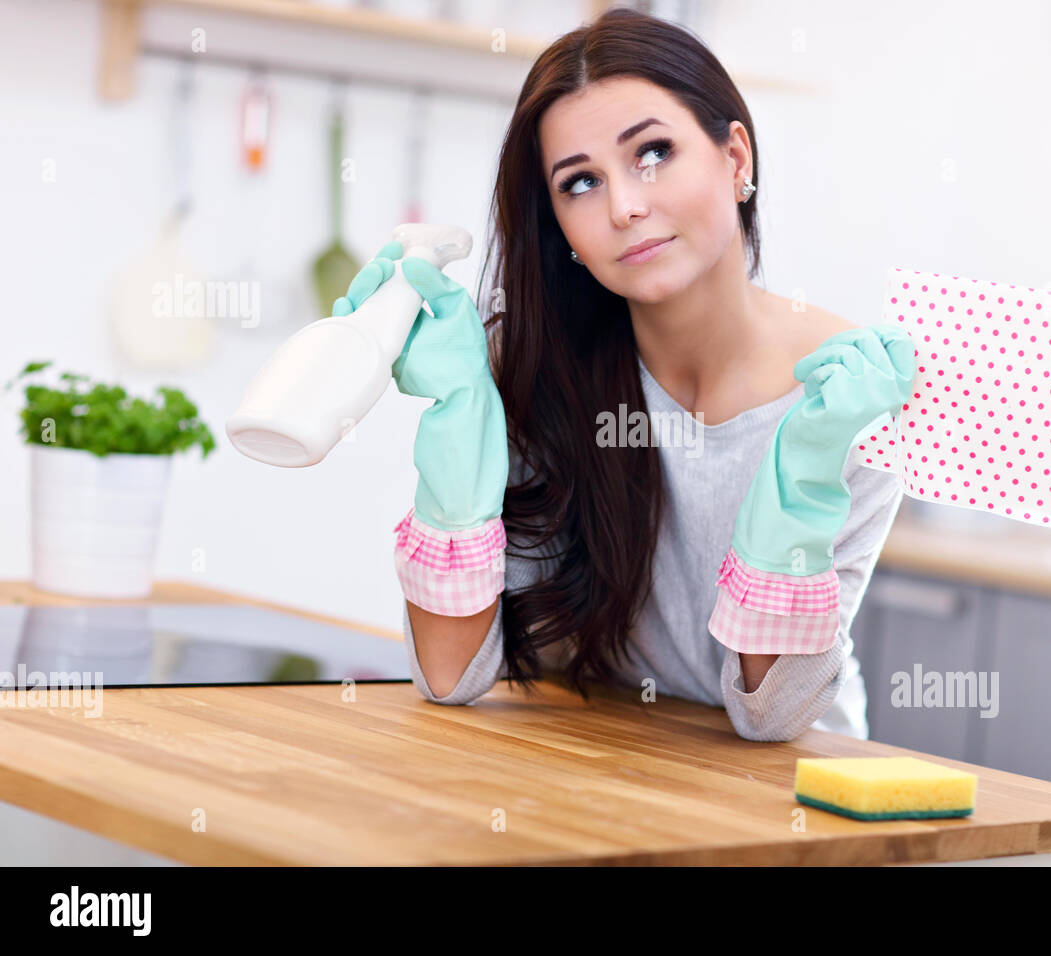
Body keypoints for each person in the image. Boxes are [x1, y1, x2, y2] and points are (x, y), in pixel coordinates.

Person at [332, 8, 915, 742]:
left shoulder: (851, 394)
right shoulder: (544, 370)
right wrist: (461, 417)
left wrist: (801, 488)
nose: (625, 206)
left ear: (737, 160)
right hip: (612, 766)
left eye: (653, 153)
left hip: (798, 789)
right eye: (580, 183)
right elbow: (450, 676)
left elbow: (770, 718)